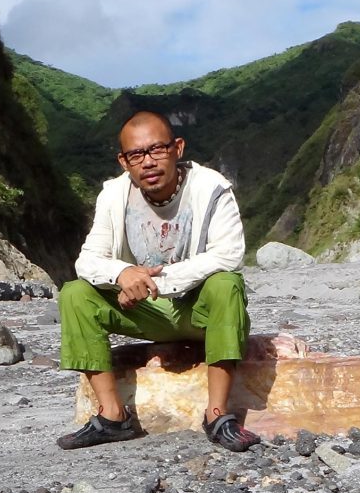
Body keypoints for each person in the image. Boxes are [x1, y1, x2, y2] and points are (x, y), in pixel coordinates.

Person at [56, 111, 260, 452]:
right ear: (124, 161)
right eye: (136, 155)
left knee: (227, 283)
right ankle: (112, 416)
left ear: (178, 148)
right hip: (142, 311)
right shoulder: (113, 195)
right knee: (75, 294)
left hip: (197, 311)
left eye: (157, 150)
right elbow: (88, 260)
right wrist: (122, 274)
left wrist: (154, 283)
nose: (147, 162)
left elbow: (228, 254)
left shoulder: (212, 189)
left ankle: (217, 415)